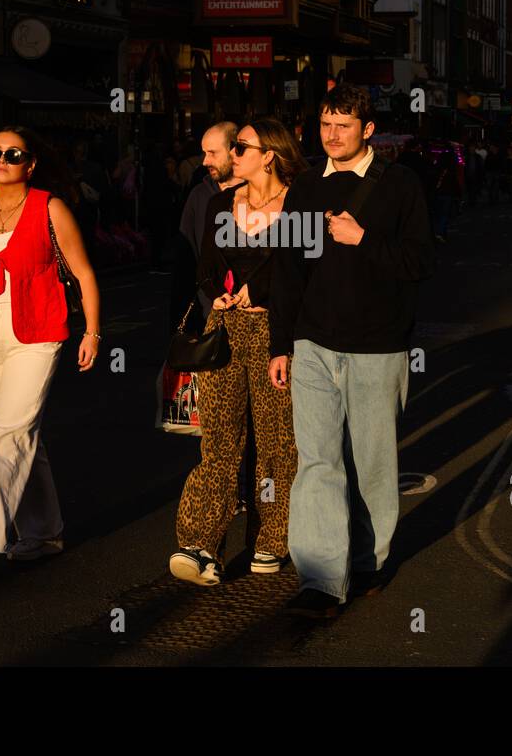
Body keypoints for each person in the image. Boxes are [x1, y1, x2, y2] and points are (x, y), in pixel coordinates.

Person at [269, 84, 435, 618]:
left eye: (343, 126)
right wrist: (281, 344)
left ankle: (367, 562)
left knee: (371, 463)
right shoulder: (305, 189)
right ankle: (319, 578)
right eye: (324, 125)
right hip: (313, 343)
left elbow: (418, 262)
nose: (332, 135)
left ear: (368, 131)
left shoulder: (401, 185)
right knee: (317, 461)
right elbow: (288, 271)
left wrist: (363, 239)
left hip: (377, 346)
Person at [0, 127, 102, 583]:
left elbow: (84, 271)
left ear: (30, 164)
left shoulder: (49, 207)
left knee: (6, 435)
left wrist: (92, 332)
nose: (2, 160)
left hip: (38, 333)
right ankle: (43, 532)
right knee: (14, 431)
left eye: (13, 154)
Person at [170, 119, 306, 586]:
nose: (233, 153)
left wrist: (259, 289)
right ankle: (200, 543)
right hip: (225, 329)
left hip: (276, 333)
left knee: (275, 444)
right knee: (220, 441)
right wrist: (220, 293)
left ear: (269, 154)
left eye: (242, 146)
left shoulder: (299, 205)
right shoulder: (221, 203)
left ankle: (271, 539)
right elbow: (206, 267)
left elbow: (303, 267)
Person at [171, 122, 241, 325]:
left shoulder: (257, 193)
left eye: (213, 153)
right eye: (204, 153)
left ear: (234, 150)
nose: (205, 161)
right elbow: (185, 260)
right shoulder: (199, 195)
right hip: (210, 314)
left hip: (254, 314)